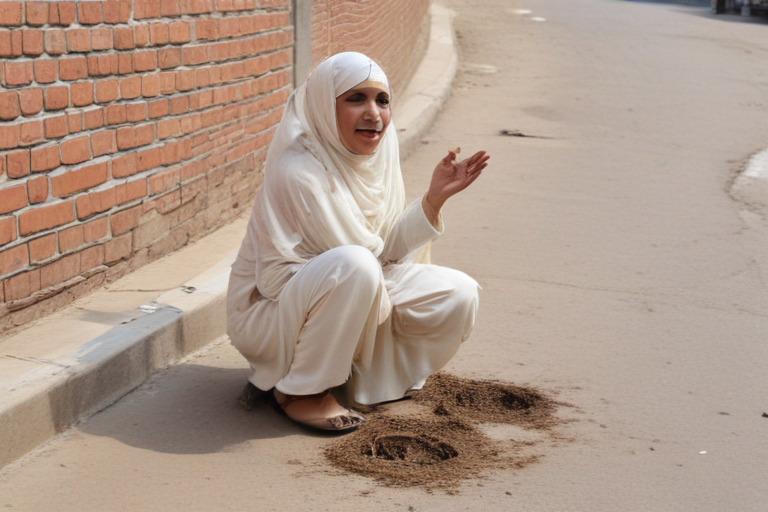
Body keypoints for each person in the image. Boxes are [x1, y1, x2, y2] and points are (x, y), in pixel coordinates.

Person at [226, 52, 489, 433]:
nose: (373, 114)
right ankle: (301, 391)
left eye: (382, 100)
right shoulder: (299, 171)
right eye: (355, 99)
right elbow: (365, 257)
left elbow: (385, 250)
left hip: (349, 285)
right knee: (356, 265)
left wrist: (434, 200)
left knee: (458, 291)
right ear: (323, 105)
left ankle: (361, 377)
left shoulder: (375, 162)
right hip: (275, 310)